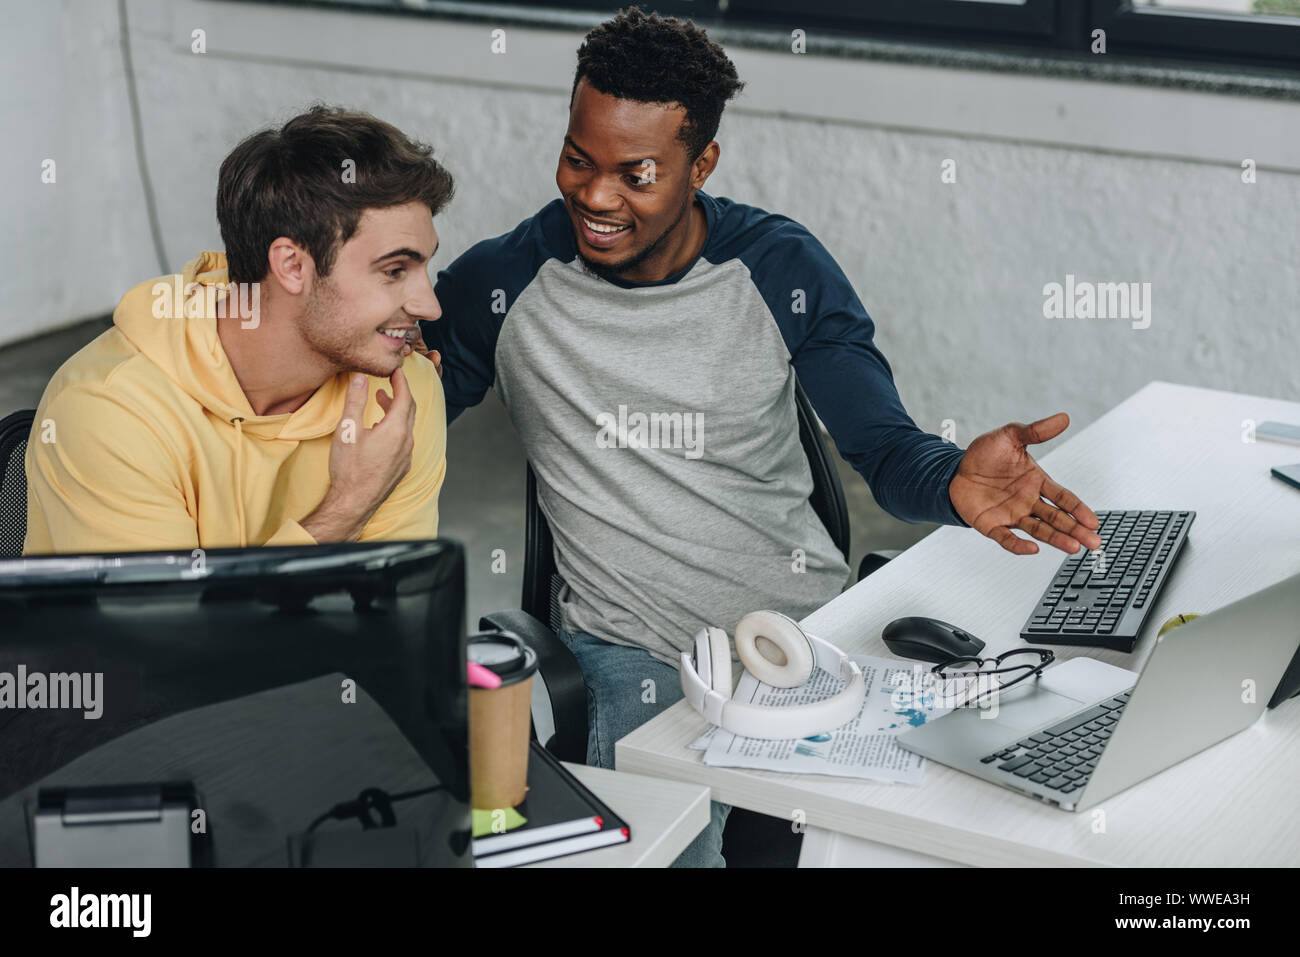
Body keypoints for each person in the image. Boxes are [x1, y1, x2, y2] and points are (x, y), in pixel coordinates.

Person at [419, 8, 1100, 867]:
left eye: (637, 173)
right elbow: (395, 416)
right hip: (632, 649)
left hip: (800, 629)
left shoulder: (781, 270)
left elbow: (886, 451)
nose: (596, 197)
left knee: (926, 834)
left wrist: (951, 482)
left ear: (700, 164)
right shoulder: (503, 283)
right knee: (661, 852)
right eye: (578, 159)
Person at [24, 106, 452, 554]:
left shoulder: (402, 394)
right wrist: (350, 506)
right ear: (292, 266)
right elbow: (166, 622)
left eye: (423, 266)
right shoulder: (109, 410)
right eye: (394, 270)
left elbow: (393, 610)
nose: (431, 307)